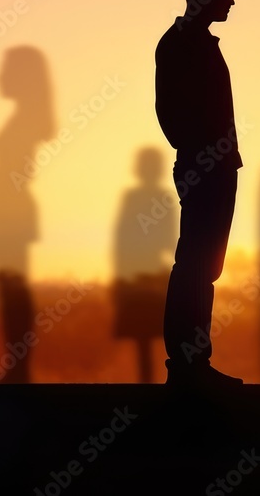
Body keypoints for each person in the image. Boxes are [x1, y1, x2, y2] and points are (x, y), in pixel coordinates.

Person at [154, 0, 243, 390]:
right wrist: (203, 154)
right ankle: (187, 366)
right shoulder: (179, 44)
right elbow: (169, 114)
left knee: (203, 265)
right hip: (203, 166)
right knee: (194, 263)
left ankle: (194, 364)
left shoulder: (198, 43)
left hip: (218, 166)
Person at [0, 46, 56, 384]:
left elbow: (17, 169)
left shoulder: (25, 119)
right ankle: (18, 366)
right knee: (11, 285)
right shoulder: (24, 117)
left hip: (11, 211)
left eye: (6, 68)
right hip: (7, 209)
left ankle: (19, 368)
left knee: (13, 286)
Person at [112, 147, 175, 383]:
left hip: (145, 276)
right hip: (144, 276)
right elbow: (123, 238)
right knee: (148, 334)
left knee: (147, 335)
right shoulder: (157, 198)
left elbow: (122, 239)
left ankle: (149, 386)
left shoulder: (144, 198)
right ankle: (150, 385)